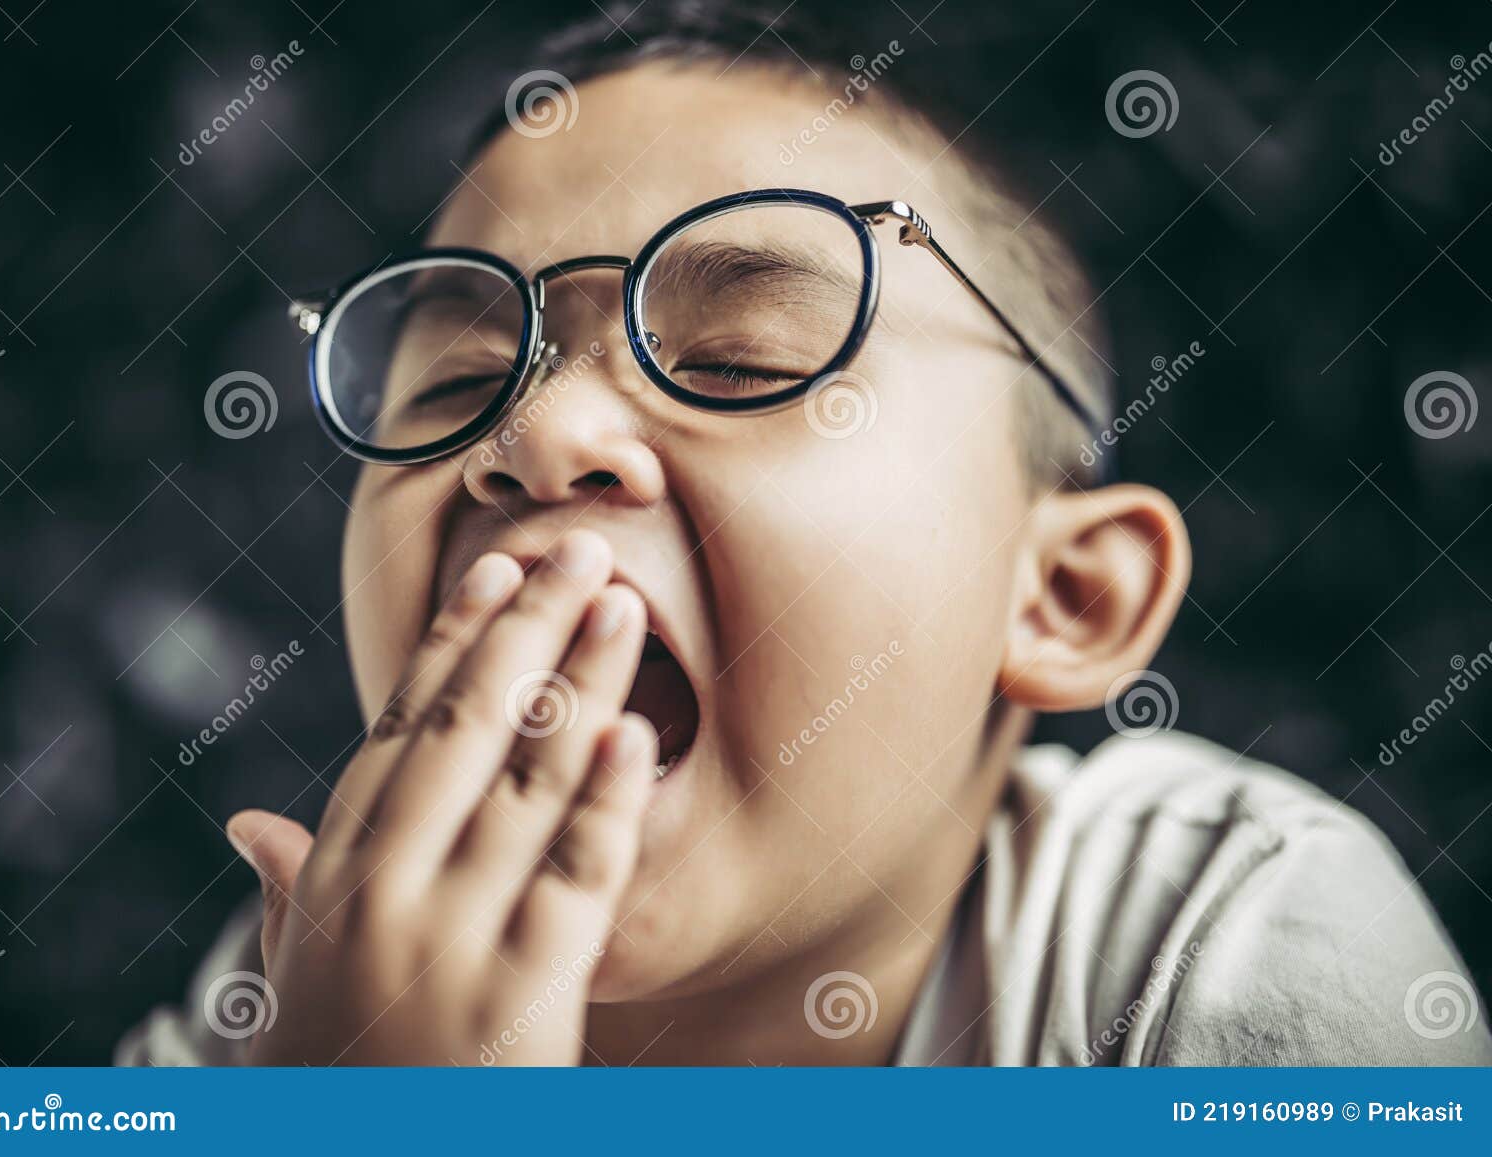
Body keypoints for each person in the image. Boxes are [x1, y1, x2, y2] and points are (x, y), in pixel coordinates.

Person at [118, 2, 1491, 1066]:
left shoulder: (1212, 939)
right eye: (461, 384)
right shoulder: (286, 994)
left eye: (733, 358)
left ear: (1066, 595)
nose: (534, 436)